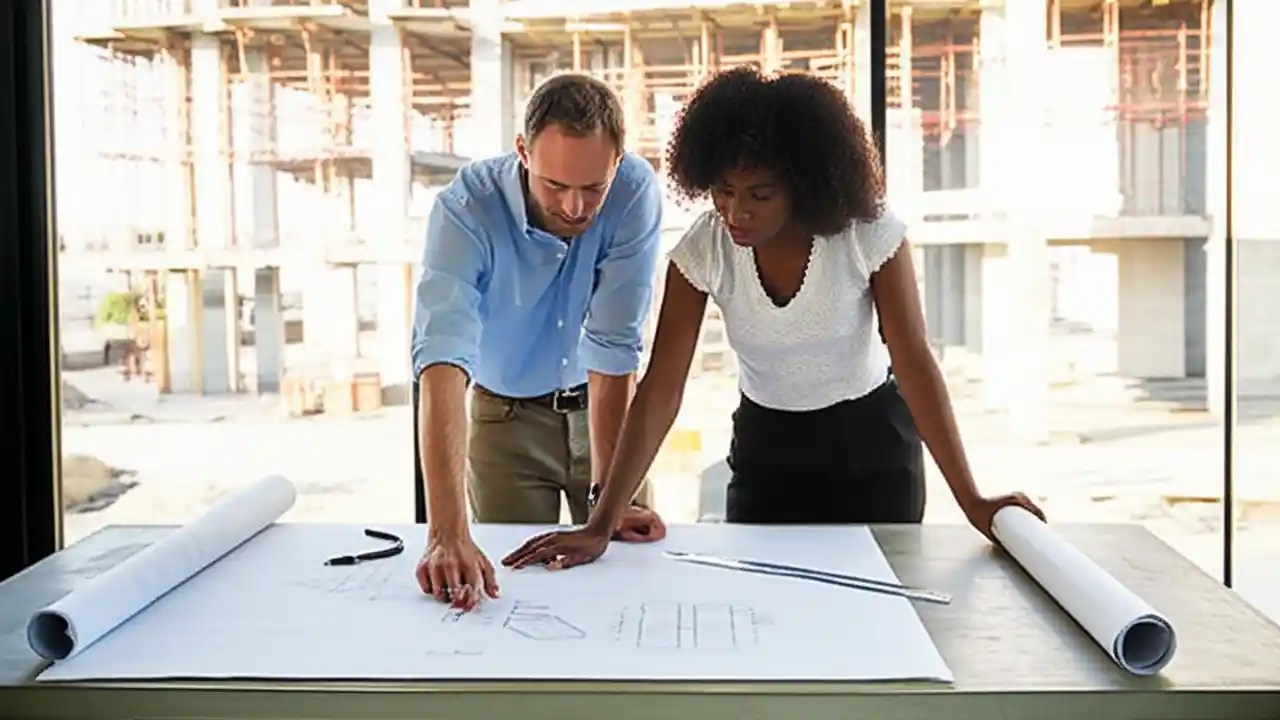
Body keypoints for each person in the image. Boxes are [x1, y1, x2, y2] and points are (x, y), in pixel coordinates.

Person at [502, 66, 1046, 571]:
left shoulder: (867, 235)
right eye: (724, 192)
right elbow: (662, 388)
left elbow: (916, 363)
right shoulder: (704, 250)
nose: (737, 212)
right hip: (767, 453)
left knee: (880, 620)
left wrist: (973, 500)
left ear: (801, 183)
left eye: (760, 195)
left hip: (874, 450)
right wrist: (601, 522)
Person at [411, 73, 669, 610]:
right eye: (556, 186)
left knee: (627, 588)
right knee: (508, 597)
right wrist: (446, 533)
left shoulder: (635, 190)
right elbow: (442, 359)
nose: (576, 207)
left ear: (617, 160)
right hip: (504, 425)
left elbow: (614, 345)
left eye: (593, 187)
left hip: (605, 413)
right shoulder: (465, 209)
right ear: (524, 153)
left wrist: (608, 499)